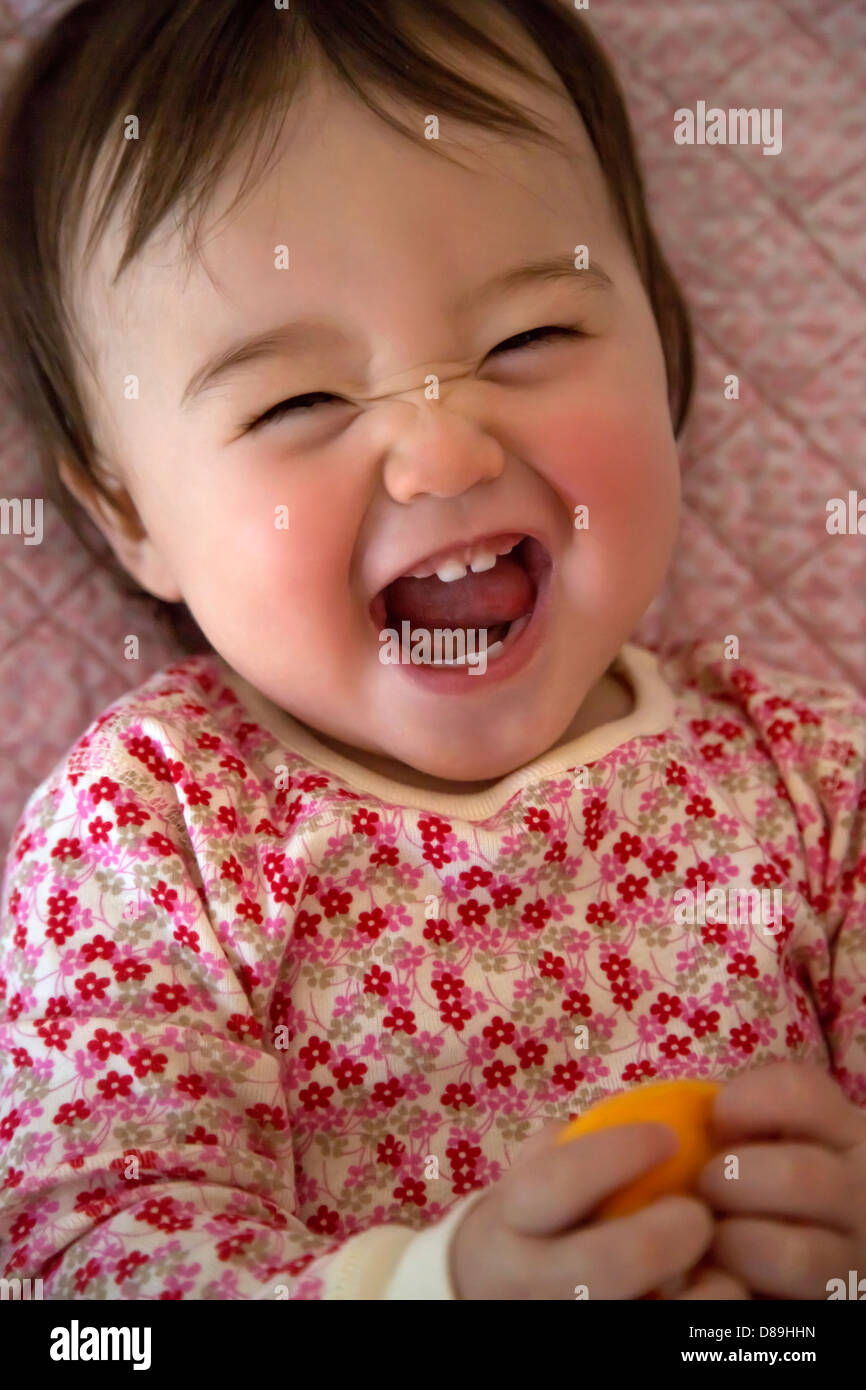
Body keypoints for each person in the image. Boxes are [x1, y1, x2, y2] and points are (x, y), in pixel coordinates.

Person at [0, 0, 863, 1300]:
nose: (444, 449)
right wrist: (429, 1287)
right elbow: (80, 1268)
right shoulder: (147, 830)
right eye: (295, 401)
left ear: (664, 352)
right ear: (128, 514)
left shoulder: (814, 784)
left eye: (529, 340)